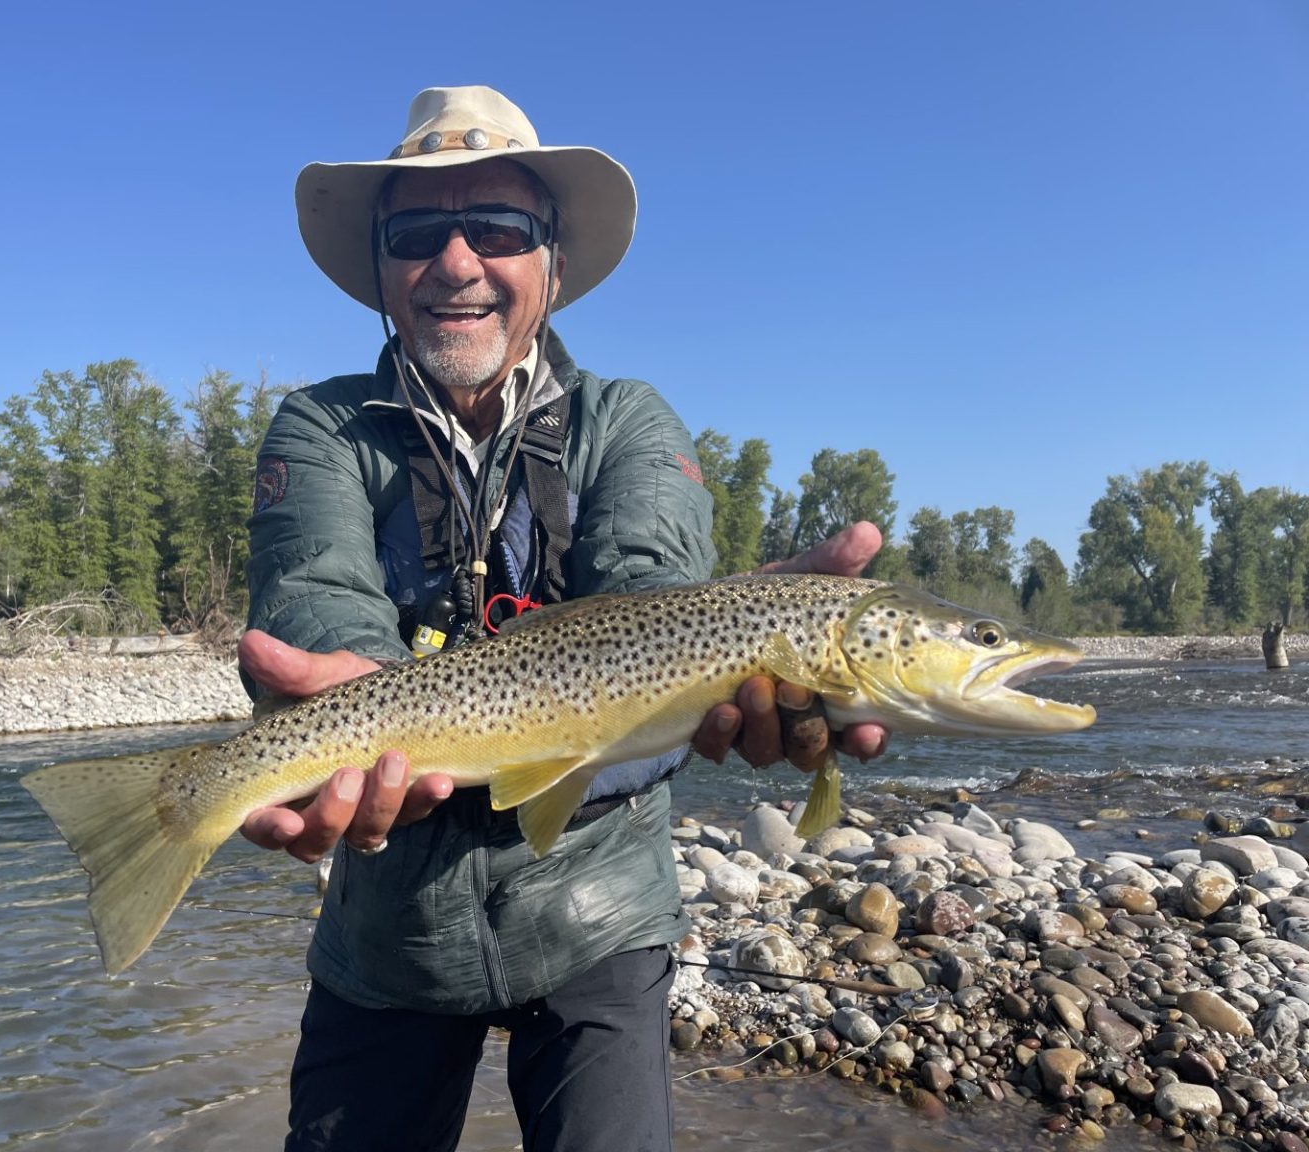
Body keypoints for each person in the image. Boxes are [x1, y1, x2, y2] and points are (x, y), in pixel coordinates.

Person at [236, 85, 886, 1152]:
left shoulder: (627, 421)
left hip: (599, 916)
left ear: (554, 266)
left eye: (496, 229)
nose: (455, 263)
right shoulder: (321, 426)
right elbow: (315, 595)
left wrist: (746, 633)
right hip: (386, 928)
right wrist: (343, 704)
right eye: (416, 234)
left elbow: (645, 595)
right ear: (384, 270)